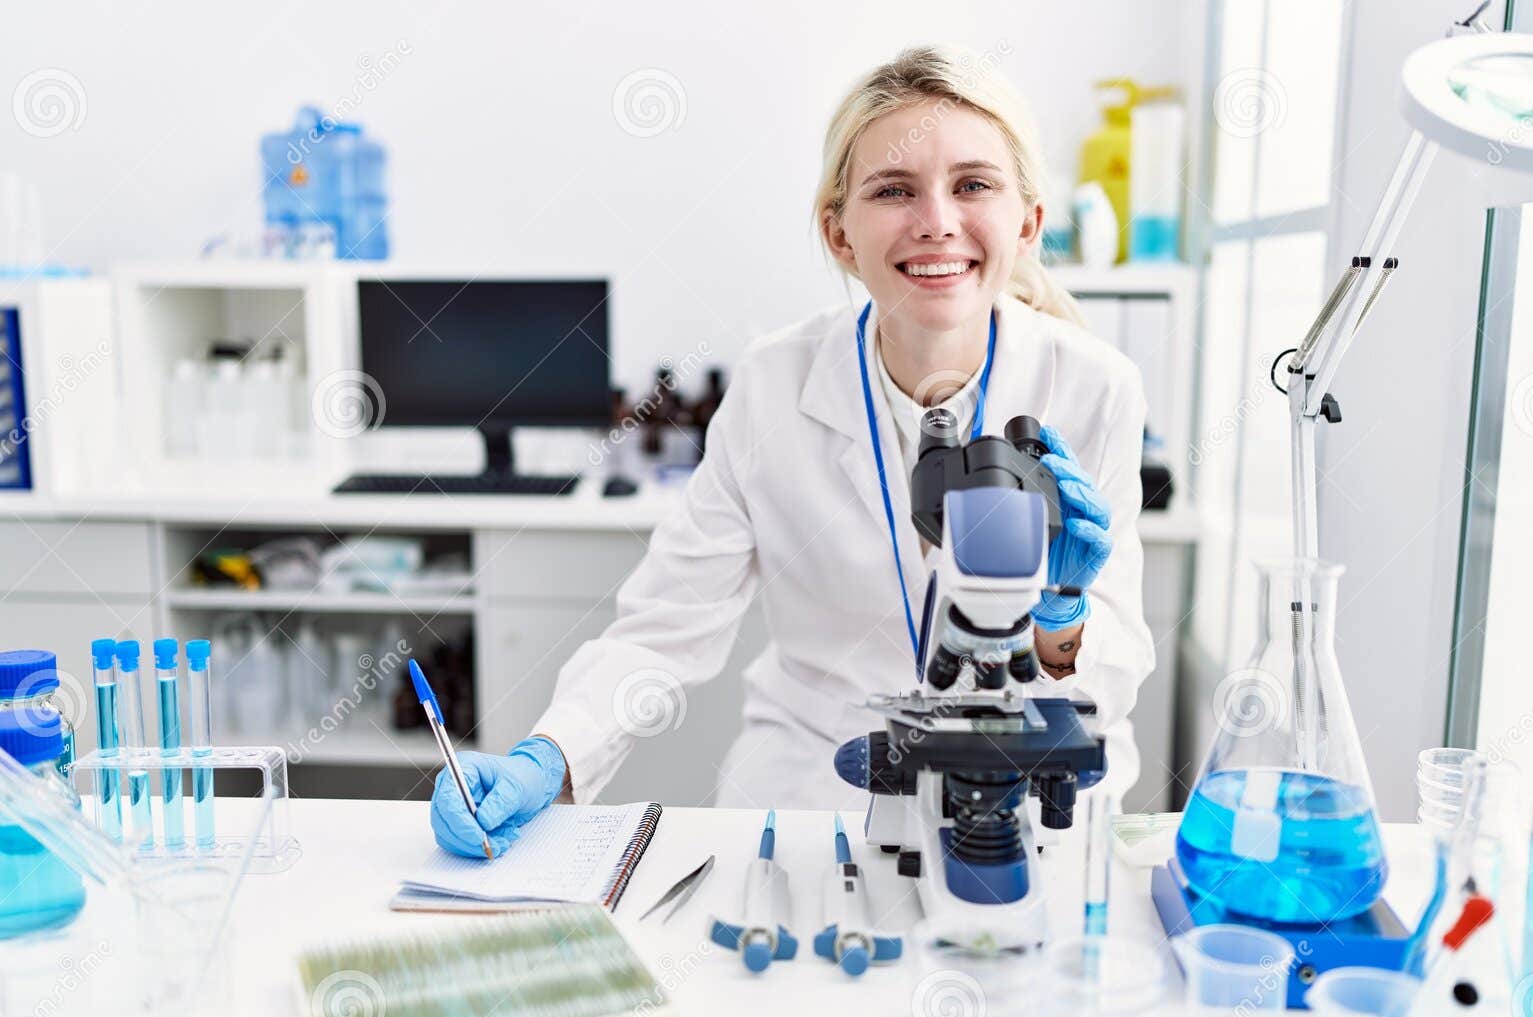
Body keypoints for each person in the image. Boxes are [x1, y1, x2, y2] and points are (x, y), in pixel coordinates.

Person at [431, 45, 1155, 858]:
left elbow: (1110, 659)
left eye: (973, 184)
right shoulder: (775, 384)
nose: (937, 220)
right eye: (892, 190)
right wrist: (553, 753)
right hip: (820, 781)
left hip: (1025, 787)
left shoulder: (1094, 386)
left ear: (1026, 223)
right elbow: (668, 625)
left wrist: (1064, 614)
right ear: (838, 231)